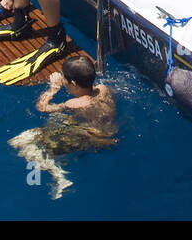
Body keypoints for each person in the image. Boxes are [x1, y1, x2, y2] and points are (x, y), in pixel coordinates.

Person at [7, 54, 117, 199]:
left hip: (90, 137)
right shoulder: (103, 89)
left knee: (23, 142)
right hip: (107, 134)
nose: (62, 81)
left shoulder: (73, 104)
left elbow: (42, 107)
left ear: (73, 83)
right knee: (54, 122)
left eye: (64, 79)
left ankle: (60, 176)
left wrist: (53, 88)